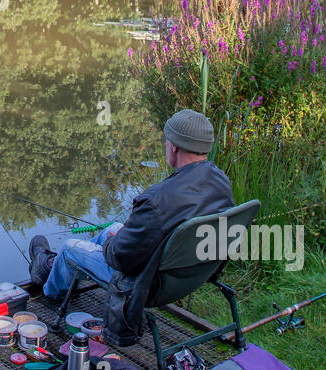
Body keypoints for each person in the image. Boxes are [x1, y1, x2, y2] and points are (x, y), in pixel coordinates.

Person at [29, 109, 235, 303]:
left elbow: (121, 260)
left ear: (174, 146)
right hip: (189, 275)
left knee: (69, 248)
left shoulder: (158, 199)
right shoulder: (221, 182)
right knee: (112, 229)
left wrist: (113, 245)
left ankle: (53, 291)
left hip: (146, 283)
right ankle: (51, 266)